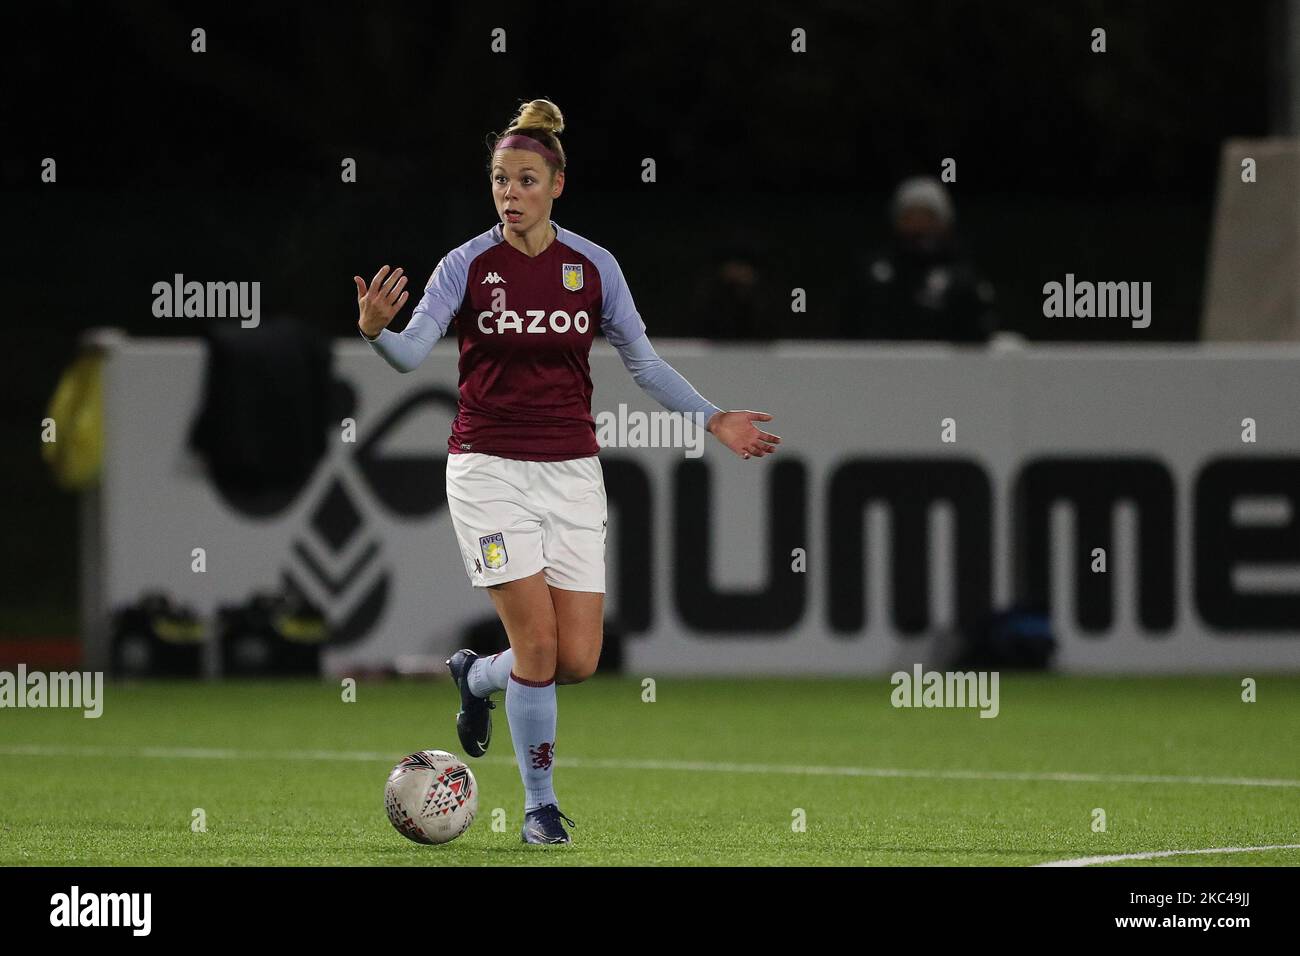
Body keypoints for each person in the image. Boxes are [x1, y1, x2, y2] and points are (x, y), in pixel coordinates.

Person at [353, 98, 781, 844]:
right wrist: (375, 334)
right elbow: (412, 350)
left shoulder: (592, 269)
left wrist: (713, 418)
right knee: (541, 650)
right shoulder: (467, 265)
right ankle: (539, 808)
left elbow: (643, 364)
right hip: (488, 471)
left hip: (572, 472)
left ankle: (477, 676)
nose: (510, 193)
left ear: (557, 184)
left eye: (524, 180)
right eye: (498, 180)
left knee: (578, 660)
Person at [840, 176, 997, 342]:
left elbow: (980, 333)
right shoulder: (872, 274)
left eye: (927, 216)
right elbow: (849, 327)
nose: (918, 226)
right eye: (910, 216)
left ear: (945, 222)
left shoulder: (964, 279)